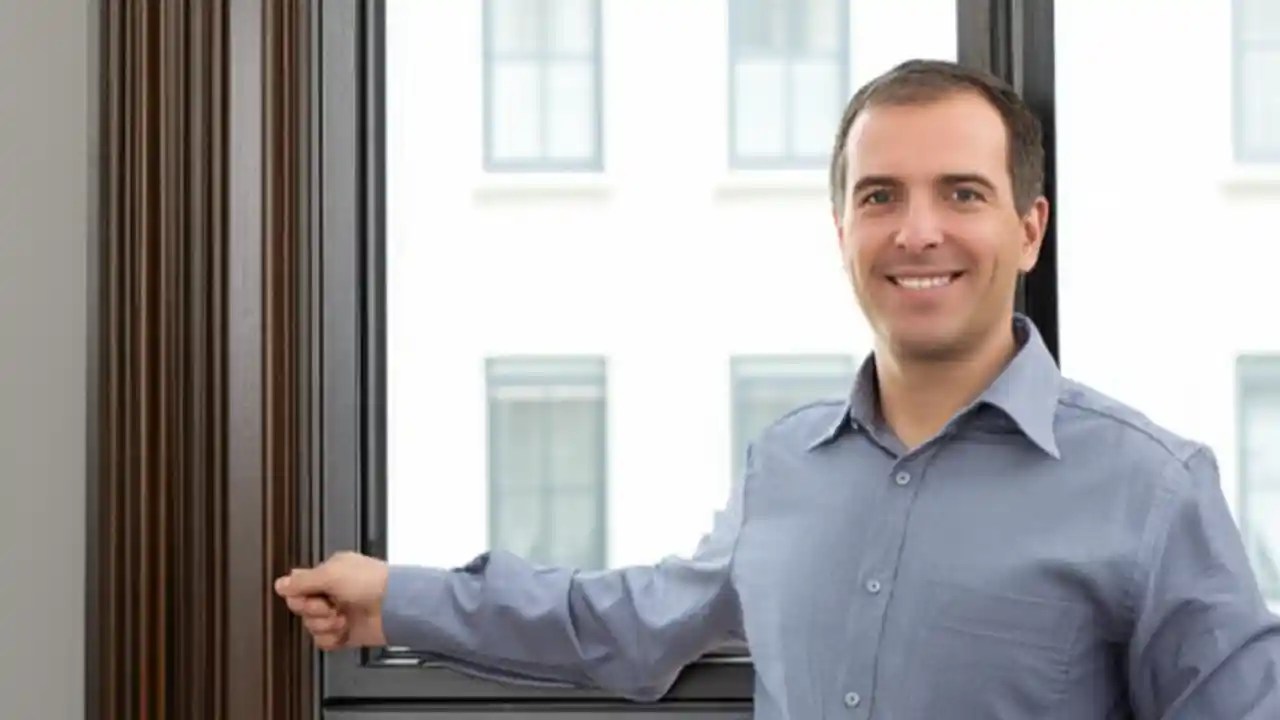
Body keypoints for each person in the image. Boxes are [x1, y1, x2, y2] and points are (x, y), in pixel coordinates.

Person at [275, 59, 1280, 718]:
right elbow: (630, 624)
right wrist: (394, 605)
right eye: (878, 196)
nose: (915, 231)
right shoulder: (786, 463)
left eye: (960, 194)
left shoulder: (1150, 490)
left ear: (1027, 228)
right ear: (840, 229)